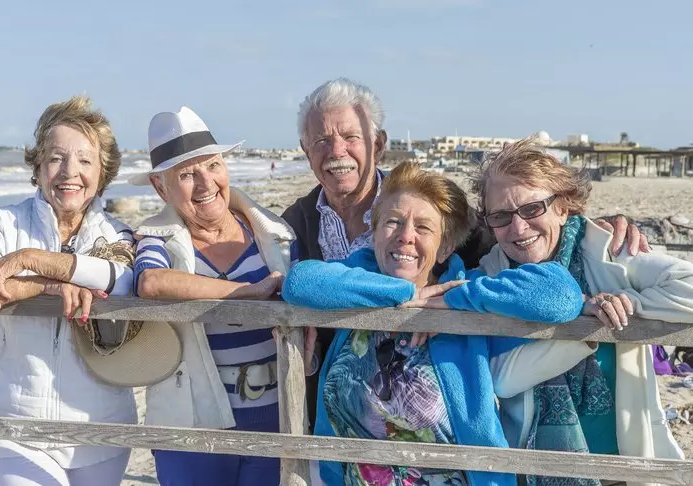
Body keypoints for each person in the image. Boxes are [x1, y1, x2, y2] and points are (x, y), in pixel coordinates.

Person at [281, 78, 652, 432]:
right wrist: (405, 297)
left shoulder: (433, 218)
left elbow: (525, 253)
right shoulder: (292, 224)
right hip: (337, 427)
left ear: (378, 143)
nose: (336, 151)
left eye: (350, 136)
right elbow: (301, 282)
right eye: (320, 140)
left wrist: (583, 229)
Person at [283, 162, 590, 485]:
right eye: (393, 222)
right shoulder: (357, 284)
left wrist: (454, 300)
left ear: (445, 247)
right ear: (373, 235)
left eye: (423, 228)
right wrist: (407, 294)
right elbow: (300, 282)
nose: (405, 237)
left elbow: (562, 294)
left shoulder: (467, 298)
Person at [471, 137, 690, 484]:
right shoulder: (490, 276)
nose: (518, 228)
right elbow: (501, 378)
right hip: (534, 472)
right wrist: (583, 326)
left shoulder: (610, 252)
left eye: (532, 209)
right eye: (500, 216)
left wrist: (625, 304)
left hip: (626, 469)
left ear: (562, 206)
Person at [128, 106, 308, 486]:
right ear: (161, 187)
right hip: (191, 425)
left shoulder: (274, 233)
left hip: (276, 419)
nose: (205, 182)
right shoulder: (154, 237)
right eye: (187, 174)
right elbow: (152, 283)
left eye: (212, 166)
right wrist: (248, 293)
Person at [0, 96, 137, 486]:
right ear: (38, 166)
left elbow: (125, 280)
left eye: (85, 160)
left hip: (102, 428)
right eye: (56, 157)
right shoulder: (4, 223)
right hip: (12, 425)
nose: (69, 172)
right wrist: (49, 287)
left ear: (102, 171)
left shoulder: (117, 234)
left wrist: (30, 261)